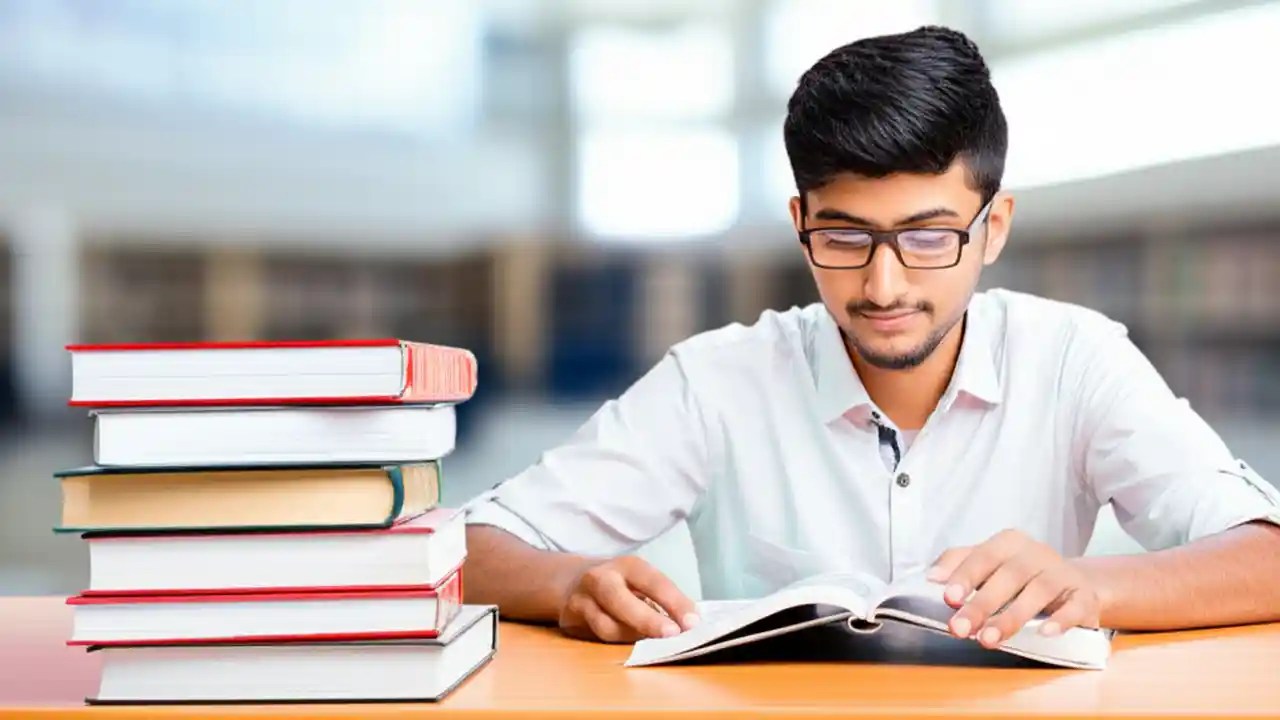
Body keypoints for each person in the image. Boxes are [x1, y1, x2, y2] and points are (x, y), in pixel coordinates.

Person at [463, 26, 1280, 648]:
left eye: (928, 238)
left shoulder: (1075, 359)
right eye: (846, 239)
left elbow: (1264, 556)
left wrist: (1087, 588)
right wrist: (566, 582)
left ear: (993, 226)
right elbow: (467, 549)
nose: (883, 287)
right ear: (801, 223)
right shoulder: (718, 379)